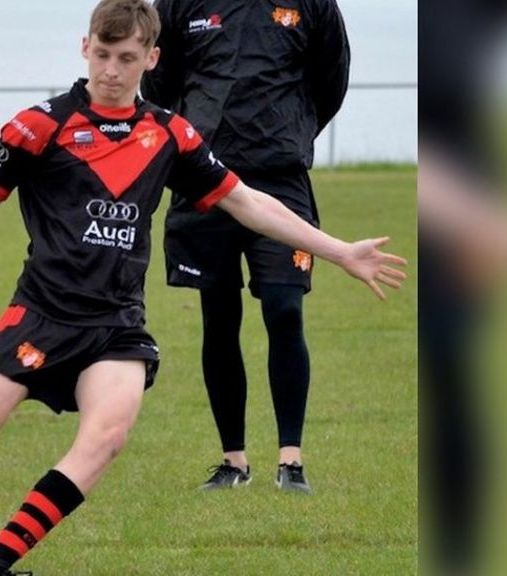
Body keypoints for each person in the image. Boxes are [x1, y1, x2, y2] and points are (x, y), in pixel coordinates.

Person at [0, 1, 404, 574]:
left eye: (127, 58)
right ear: (85, 49)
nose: (112, 70)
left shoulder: (170, 134)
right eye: (102, 55)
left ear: (151, 59)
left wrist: (340, 250)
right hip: (40, 315)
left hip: (116, 330)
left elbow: (249, 204)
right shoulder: (38, 126)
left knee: (106, 437)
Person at [141, 0, 351, 493]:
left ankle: (291, 461)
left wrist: (291, 130)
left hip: (281, 180)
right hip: (205, 182)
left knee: (284, 310)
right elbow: (159, 83)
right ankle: (233, 460)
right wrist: (194, 143)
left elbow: (331, 80)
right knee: (219, 317)